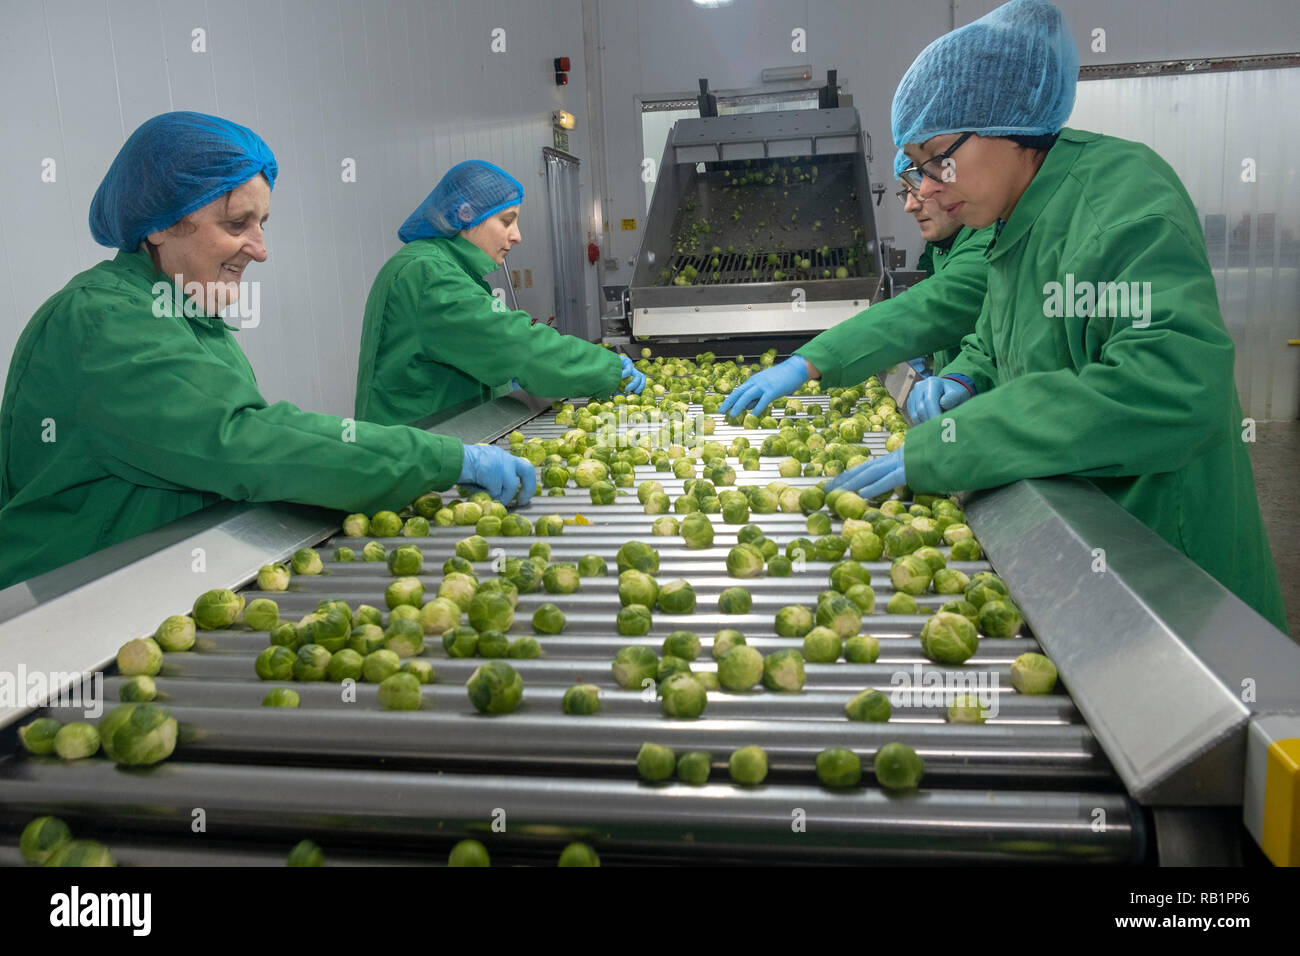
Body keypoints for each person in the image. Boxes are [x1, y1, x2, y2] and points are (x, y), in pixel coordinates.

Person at [826, 0, 1287, 632]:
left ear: (1009, 125)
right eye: (916, 167)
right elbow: (1003, 330)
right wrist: (968, 377)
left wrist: (967, 442)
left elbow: (1172, 388)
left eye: (937, 158)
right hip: (1068, 530)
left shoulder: (1123, 204)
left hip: (1164, 558)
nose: (926, 187)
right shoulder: (1014, 212)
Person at [0, 112, 533, 591]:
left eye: (262, 224)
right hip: (72, 616)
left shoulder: (190, 315)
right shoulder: (102, 321)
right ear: (160, 223)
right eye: (236, 225)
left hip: (153, 587)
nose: (260, 249)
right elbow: (243, 440)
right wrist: (441, 458)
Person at [355, 160, 644, 427]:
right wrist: (604, 368)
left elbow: (482, 346)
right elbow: (512, 342)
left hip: (437, 439)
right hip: (415, 453)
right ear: (466, 215)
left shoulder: (438, 266)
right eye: (507, 221)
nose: (517, 236)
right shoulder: (428, 275)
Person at [719, 180, 996, 420]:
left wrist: (806, 364)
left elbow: (930, 307)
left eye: (919, 192)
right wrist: (963, 376)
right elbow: (985, 344)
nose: (909, 206)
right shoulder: (949, 243)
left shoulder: (988, 244)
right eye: (906, 193)